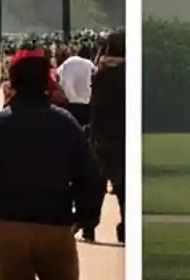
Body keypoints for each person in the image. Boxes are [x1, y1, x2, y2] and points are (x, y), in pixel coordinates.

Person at [0, 49, 104, 280]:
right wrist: (86, 215)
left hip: (10, 227)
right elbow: (90, 175)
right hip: (55, 226)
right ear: (47, 82)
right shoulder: (66, 124)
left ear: (12, 82)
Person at [87, 32, 125, 244]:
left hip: (104, 136)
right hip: (123, 135)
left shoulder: (102, 73)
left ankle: (89, 225)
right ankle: (125, 227)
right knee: (123, 188)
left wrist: (93, 135)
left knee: (96, 183)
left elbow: (96, 108)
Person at [57, 46, 96, 129]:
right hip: (86, 104)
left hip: (69, 104)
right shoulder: (90, 64)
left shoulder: (68, 62)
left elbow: (58, 75)